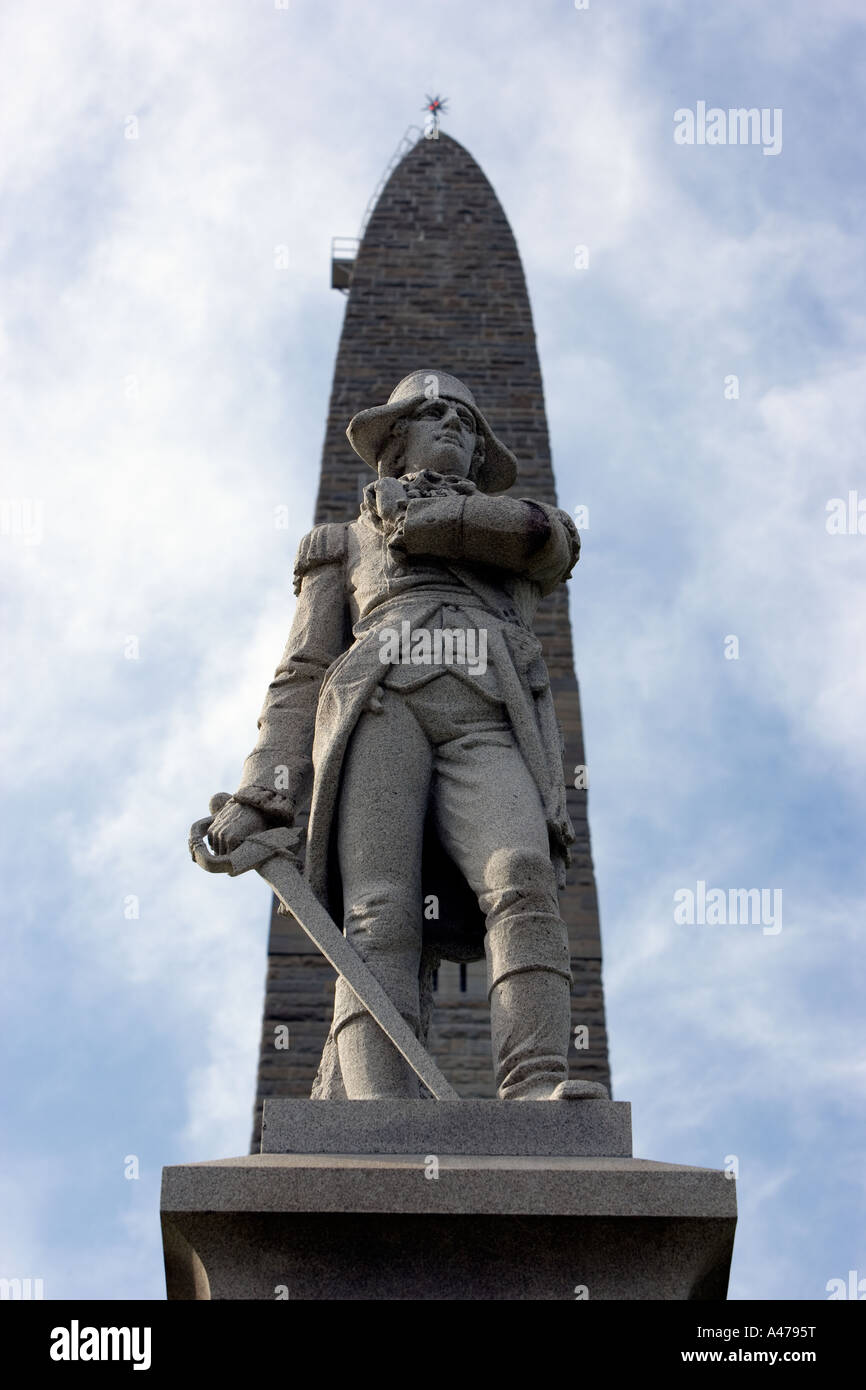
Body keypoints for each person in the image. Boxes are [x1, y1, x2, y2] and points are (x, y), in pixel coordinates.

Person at [208, 369, 607, 1102]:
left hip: (486, 713)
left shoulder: (517, 525)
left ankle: (536, 1090)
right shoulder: (338, 540)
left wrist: (425, 522)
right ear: (394, 440)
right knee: (380, 913)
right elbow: (300, 672)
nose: (451, 423)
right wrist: (260, 793)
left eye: (463, 417)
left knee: (521, 872)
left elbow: (554, 543)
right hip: (379, 705)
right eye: (430, 414)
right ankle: (375, 1111)